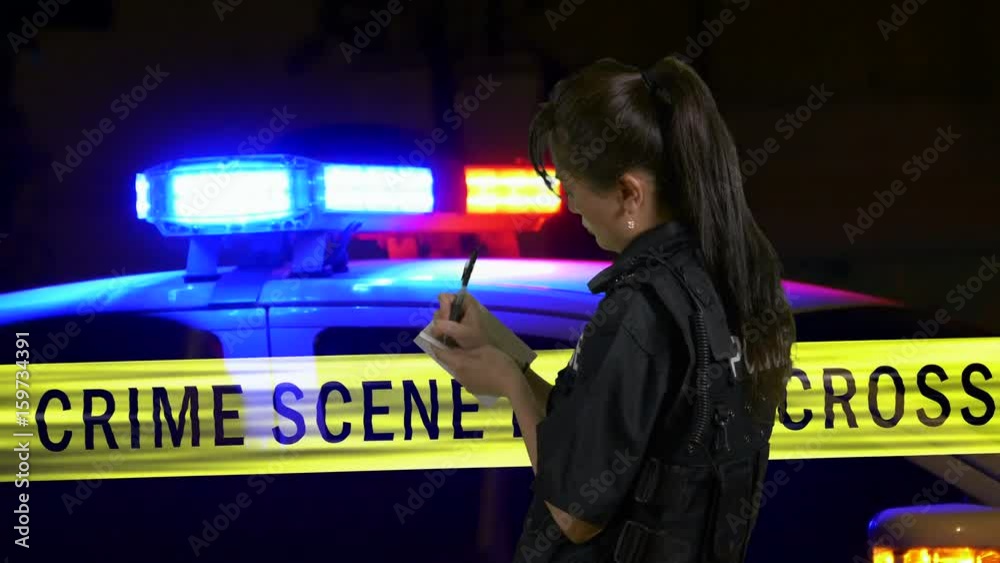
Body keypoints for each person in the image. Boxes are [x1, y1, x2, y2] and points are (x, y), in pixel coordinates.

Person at [430, 55, 796, 563]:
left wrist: (508, 384)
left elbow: (575, 512)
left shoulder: (642, 308)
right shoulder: (729, 279)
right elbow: (601, 439)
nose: (572, 207)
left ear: (628, 193)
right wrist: (508, 359)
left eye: (572, 188)